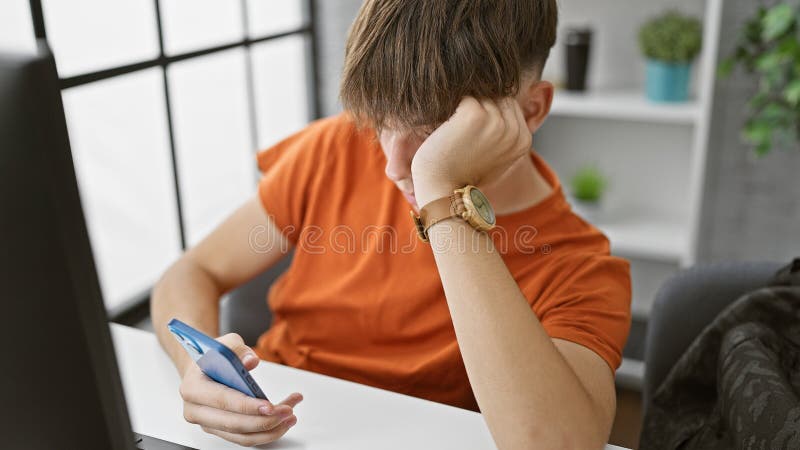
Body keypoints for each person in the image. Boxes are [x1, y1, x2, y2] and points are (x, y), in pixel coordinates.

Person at [151, 1, 631, 448]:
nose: (393, 165)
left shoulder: (578, 265)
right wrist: (199, 371)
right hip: (277, 425)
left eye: (431, 132)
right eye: (381, 121)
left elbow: (552, 442)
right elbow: (192, 272)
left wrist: (441, 194)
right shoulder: (336, 147)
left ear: (529, 112)